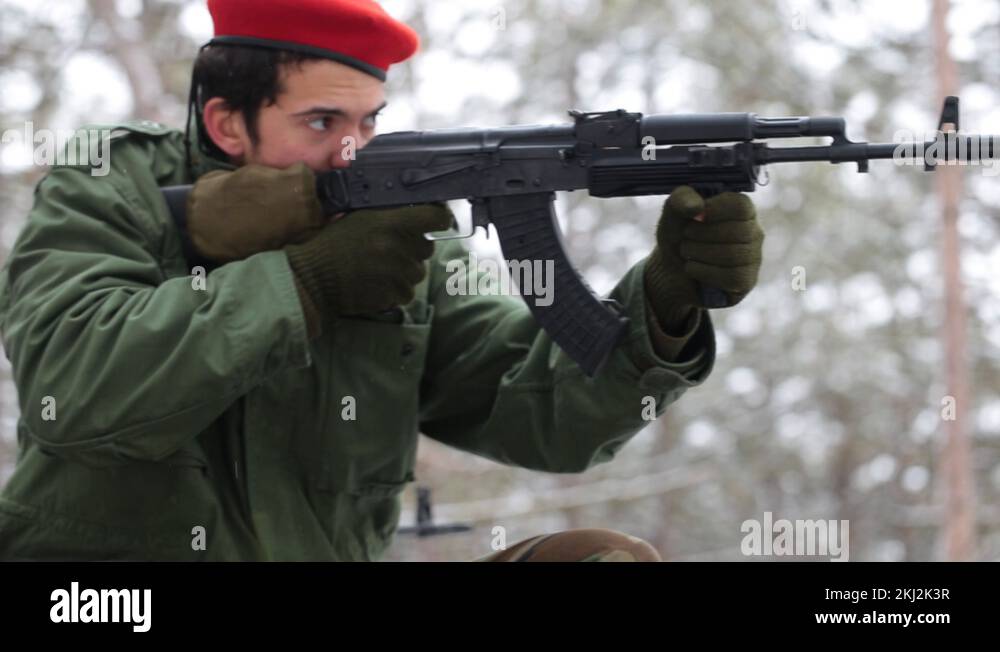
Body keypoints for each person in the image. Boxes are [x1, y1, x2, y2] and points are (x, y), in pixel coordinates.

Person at [0, 0, 764, 561]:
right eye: (323, 123)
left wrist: (661, 307)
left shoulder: (392, 231)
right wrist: (304, 284)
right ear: (229, 123)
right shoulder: (116, 188)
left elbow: (537, 409)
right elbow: (73, 385)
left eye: (368, 123)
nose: (353, 153)